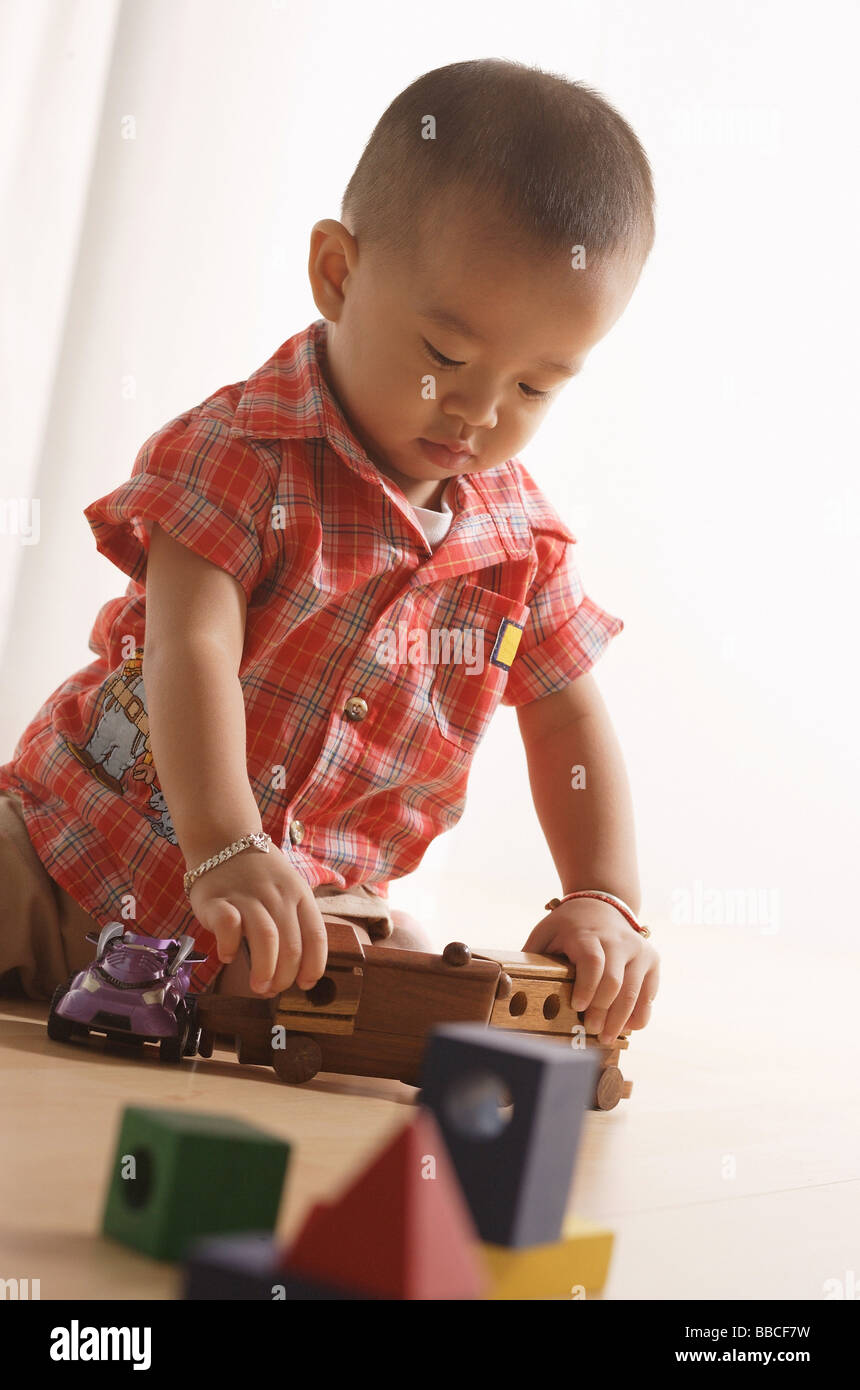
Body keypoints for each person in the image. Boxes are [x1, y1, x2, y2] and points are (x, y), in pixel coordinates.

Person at [0, 58, 659, 1047]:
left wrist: (603, 895)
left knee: (410, 1001)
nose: (479, 412)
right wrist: (222, 846)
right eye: (444, 358)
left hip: (296, 925)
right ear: (338, 275)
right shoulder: (242, 454)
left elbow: (563, 720)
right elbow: (193, 648)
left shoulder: (519, 552)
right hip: (67, 855)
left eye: (534, 388)